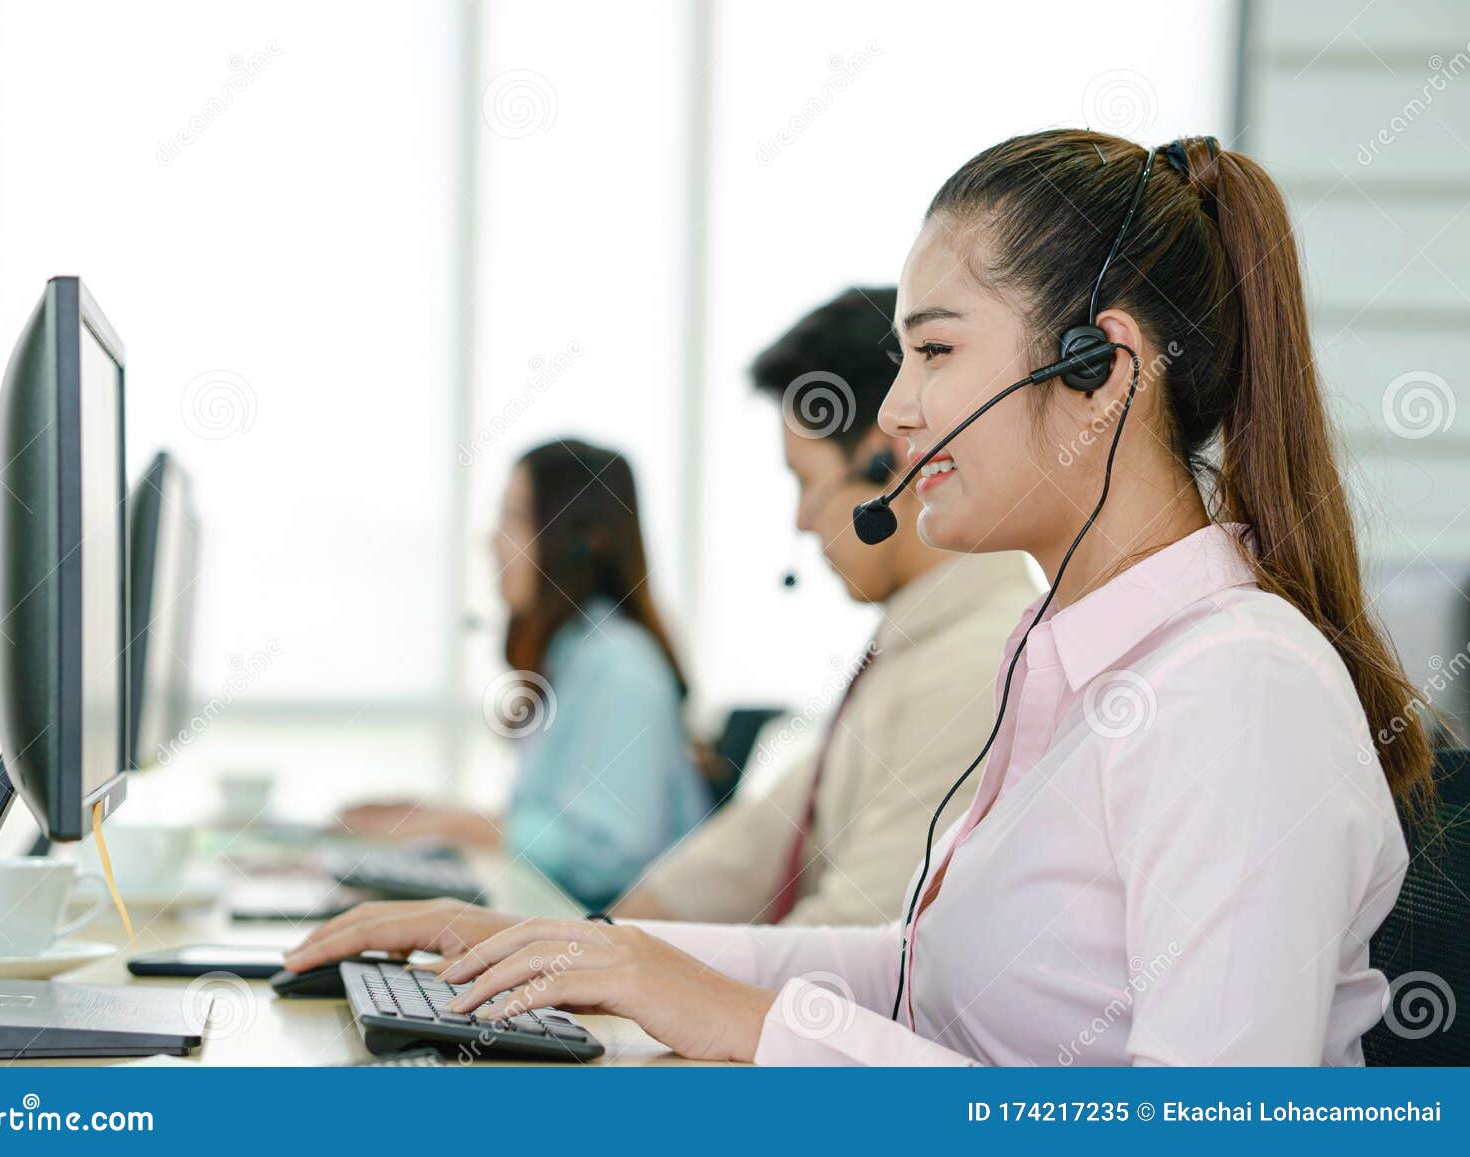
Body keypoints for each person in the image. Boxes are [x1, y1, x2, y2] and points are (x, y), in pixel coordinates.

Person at [288, 130, 1434, 1066]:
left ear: (1101, 370)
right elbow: (916, 977)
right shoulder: (1074, 662)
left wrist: (734, 1017)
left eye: (933, 351)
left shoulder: (1234, 691)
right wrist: (587, 952)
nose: (893, 413)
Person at [610, 288, 1037, 925]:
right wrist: (591, 941)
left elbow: (858, 939)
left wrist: (626, 968)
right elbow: (757, 844)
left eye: (808, 482)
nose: (803, 520)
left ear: (891, 461)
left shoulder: (981, 666)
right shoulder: (910, 647)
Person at [339, 439, 710, 912]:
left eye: (514, 519)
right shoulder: (574, 655)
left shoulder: (623, 669)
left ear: (582, 540)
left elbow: (607, 856)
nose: (492, 541)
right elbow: (555, 822)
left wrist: (452, 824)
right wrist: (431, 817)